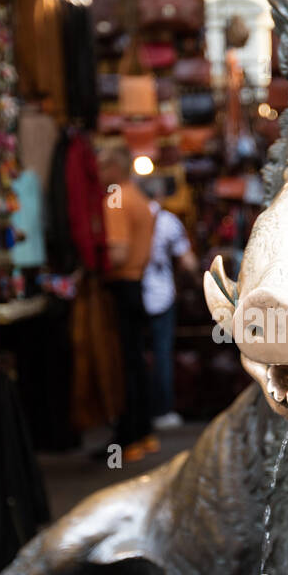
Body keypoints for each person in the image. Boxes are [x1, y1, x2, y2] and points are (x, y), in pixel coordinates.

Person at [99, 146, 156, 462]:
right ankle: (143, 433)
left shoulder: (116, 201)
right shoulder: (138, 197)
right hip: (137, 284)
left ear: (113, 168)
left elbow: (118, 252)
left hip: (121, 285)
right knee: (136, 361)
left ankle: (128, 437)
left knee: (123, 363)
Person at [143, 199, 197, 429]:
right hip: (162, 295)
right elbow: (187, 261)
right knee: (162, 353)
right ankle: (163, 410)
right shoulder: (167, 221)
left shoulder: (125, 213)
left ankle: (138, 410)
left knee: (134, 354)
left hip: (134, 294)